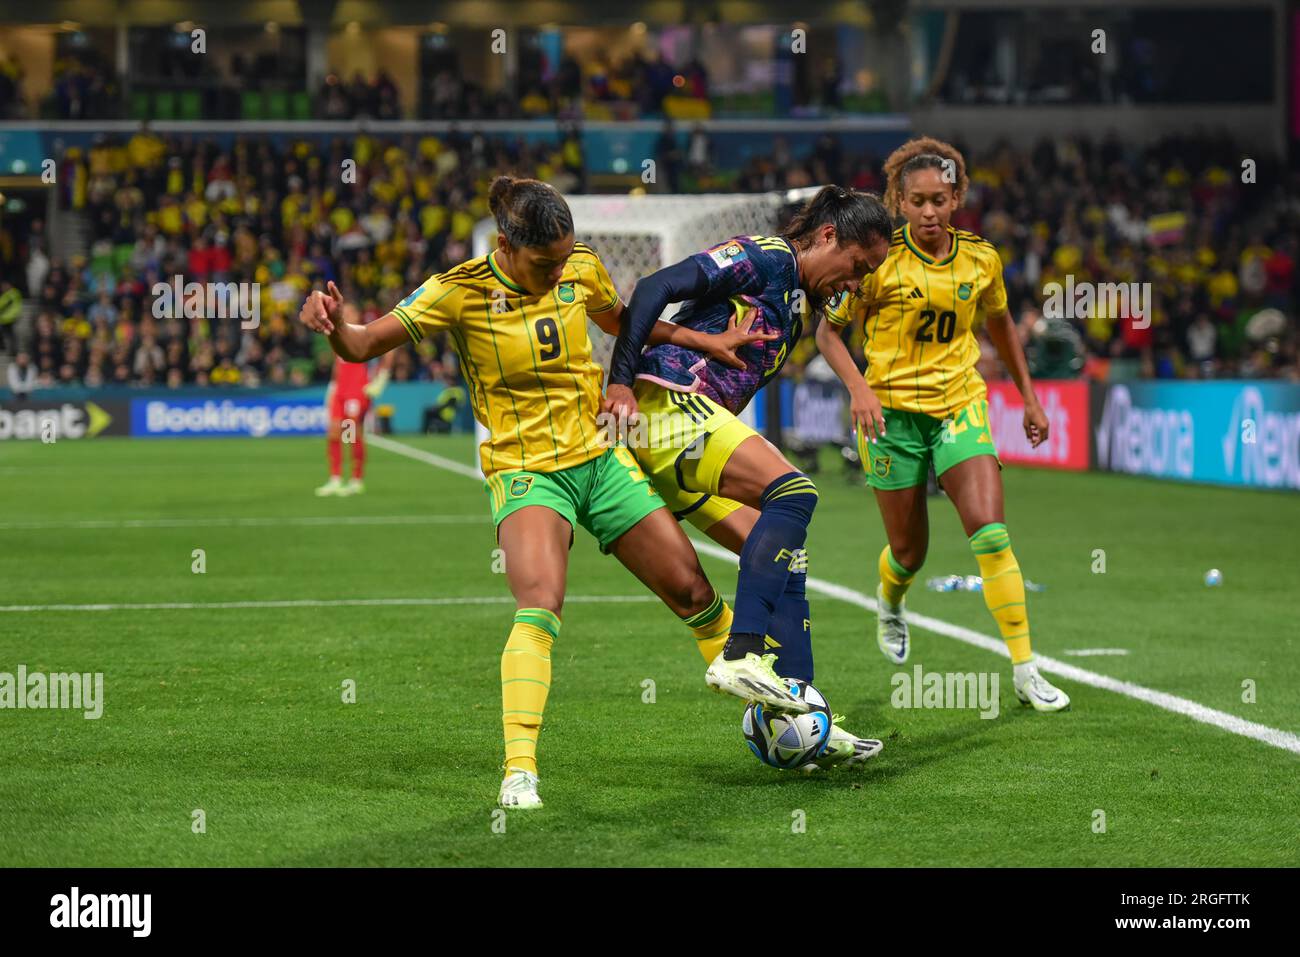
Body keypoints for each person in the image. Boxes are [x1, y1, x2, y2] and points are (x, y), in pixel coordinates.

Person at [299, 175, 804, 811]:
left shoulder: (581, 266)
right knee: (542, 603)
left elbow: (626, 322)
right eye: (546, 262)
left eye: (565, 257)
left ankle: (795, 724)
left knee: (695, 593)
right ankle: (519, 772)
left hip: (600, 458)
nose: (559, 269)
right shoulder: (457, 291)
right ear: (506, 245)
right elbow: (364, 343)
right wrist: (333, 325)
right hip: (525, 469)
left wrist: (705, 340)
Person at [604, 186, 895, 766]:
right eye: (857, 267)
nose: (855, 283)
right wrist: (619, 381)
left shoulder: (800, 304)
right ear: (828, 236)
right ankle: (740, 653)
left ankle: (805, 709)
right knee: (793, 491)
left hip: (685, 441)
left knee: (790, 557)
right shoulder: (766, 256)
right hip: (666, 404)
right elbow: (653, 288)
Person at [816, 137, 1070, 712]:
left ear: (957, 198)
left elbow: (1002, 326)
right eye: (916, 201)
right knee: (909, 553)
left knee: (991, 533)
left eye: (939, 199)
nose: (928, 212)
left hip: (959, 406)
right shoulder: (877, 261)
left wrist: (1029, 398)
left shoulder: (981, 259)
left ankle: (1026, 670)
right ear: (898, 202)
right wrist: (858, 387)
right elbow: (828, 332)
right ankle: (891, 601)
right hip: (891, 418)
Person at [316, 301, 394, 497]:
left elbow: (391, 350)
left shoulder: (365, 332)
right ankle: (335, 479)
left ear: (358, 315)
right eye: (345, 311)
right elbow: (338, 363)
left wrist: (380, 379)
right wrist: (332, 387)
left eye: (350, 311)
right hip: (340, 391)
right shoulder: (337, 334)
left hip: (356, 393)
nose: (345, 314)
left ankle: (356, 479)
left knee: (350, 434)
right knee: (334, 432)